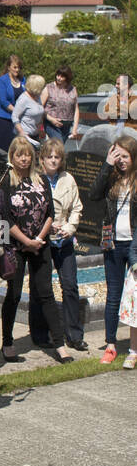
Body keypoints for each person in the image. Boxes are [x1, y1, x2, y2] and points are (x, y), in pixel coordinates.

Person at [0, 136, 72, 364]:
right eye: (19, 154)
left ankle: (59, 345)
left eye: (27, 154)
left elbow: (50, 212)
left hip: (40, 245)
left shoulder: (39, 179)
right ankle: (8, 342)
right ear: (12, 156)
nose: (24, 158)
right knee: (14, 295)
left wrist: (38, 238)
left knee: (46, 294)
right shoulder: (6, 182)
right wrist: (25, 241)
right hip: (16, 247)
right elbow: (4, 218)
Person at [28, 139, 86, 352]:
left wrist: (70, 228)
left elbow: (77, 207)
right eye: (49, 156)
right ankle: (41, 334)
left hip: (64, 239)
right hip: (43, 239)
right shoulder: (34, 180)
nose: (53, 160)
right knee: (40, 288)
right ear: (42, 159)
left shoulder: (68, 179)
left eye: (57, 157)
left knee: (70, 286)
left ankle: (74, 334)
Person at [90, 135, 137, 364]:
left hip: (135, 245)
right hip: (113, 243)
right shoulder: (111, 178)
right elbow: (93, 194)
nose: (121, 161)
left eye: (125, 156)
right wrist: (107, 164)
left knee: (136, 297)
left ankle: (134, 347)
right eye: (117, 156)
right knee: (113, 296)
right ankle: (111, 344)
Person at [41, 65, 79, 144]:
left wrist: (75, 128)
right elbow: (39, 107)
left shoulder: (73, 90)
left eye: (62, 76)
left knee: (57, 150)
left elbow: (76, 110)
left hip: (66, 125)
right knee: (59, 145)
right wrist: (51, 119)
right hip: (51, 124)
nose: (59, 78)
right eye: (58, 75)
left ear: (67, 78)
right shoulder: (49, 88)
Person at [0, 54, 26, 150]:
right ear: (9, 67)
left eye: (19, 67)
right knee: (2, 147)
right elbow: (3, 101)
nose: (17, 70)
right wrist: (17, 111)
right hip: (5, 118)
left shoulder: (23, 80)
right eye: (15, 67)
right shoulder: (2, 80)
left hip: (18, 120)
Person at [12, 74, 46, 146]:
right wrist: (21, 132)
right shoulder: (24, 99)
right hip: (25, 137)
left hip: (35, 134)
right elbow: (14, 116)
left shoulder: (38, 97)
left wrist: (40, 129)